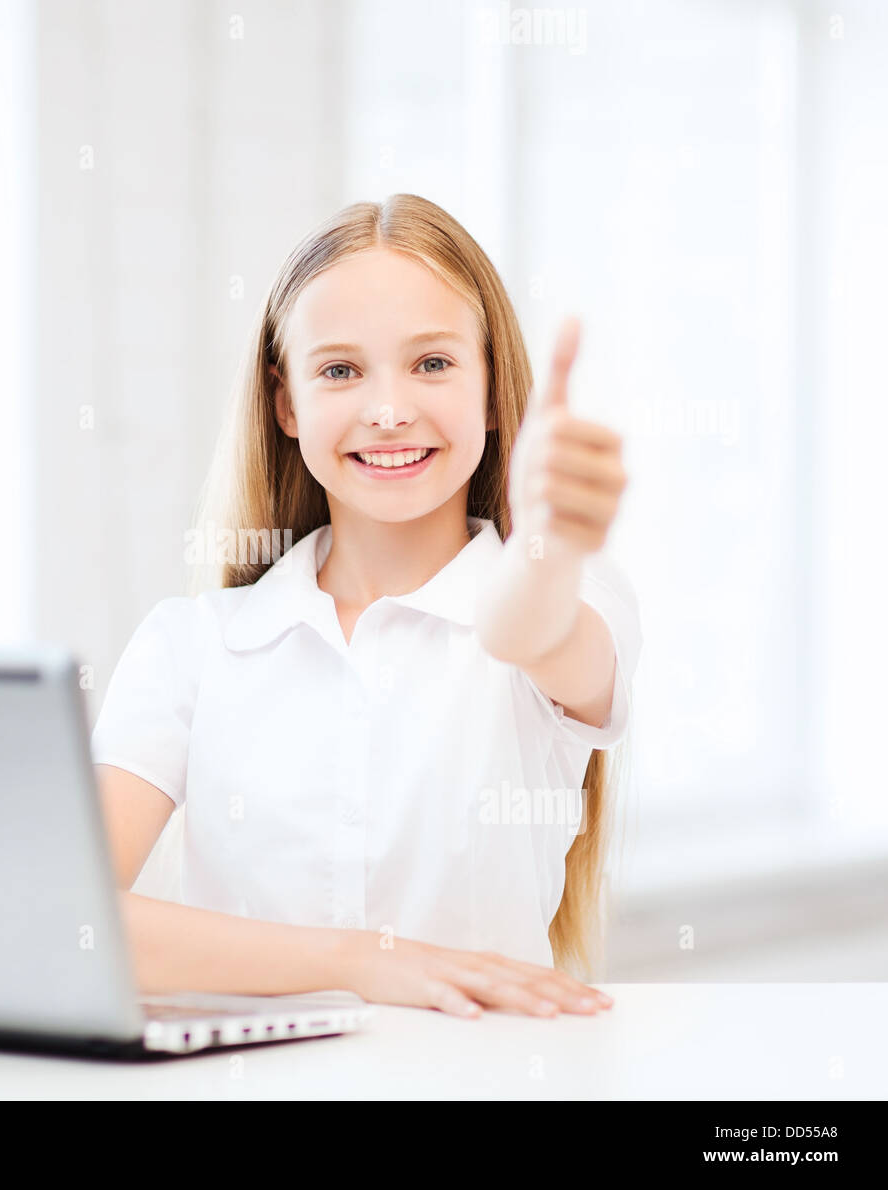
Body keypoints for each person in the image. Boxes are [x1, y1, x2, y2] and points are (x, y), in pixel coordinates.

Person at [92, 193, 639, 1019]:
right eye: (340, 371)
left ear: (493, 391)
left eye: (432, 364)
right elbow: (71, 920)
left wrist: (553, 543)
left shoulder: (568, 592)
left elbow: (523, 626)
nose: (388, 411)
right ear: (286, 404)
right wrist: (359, 964)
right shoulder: (191, 645)